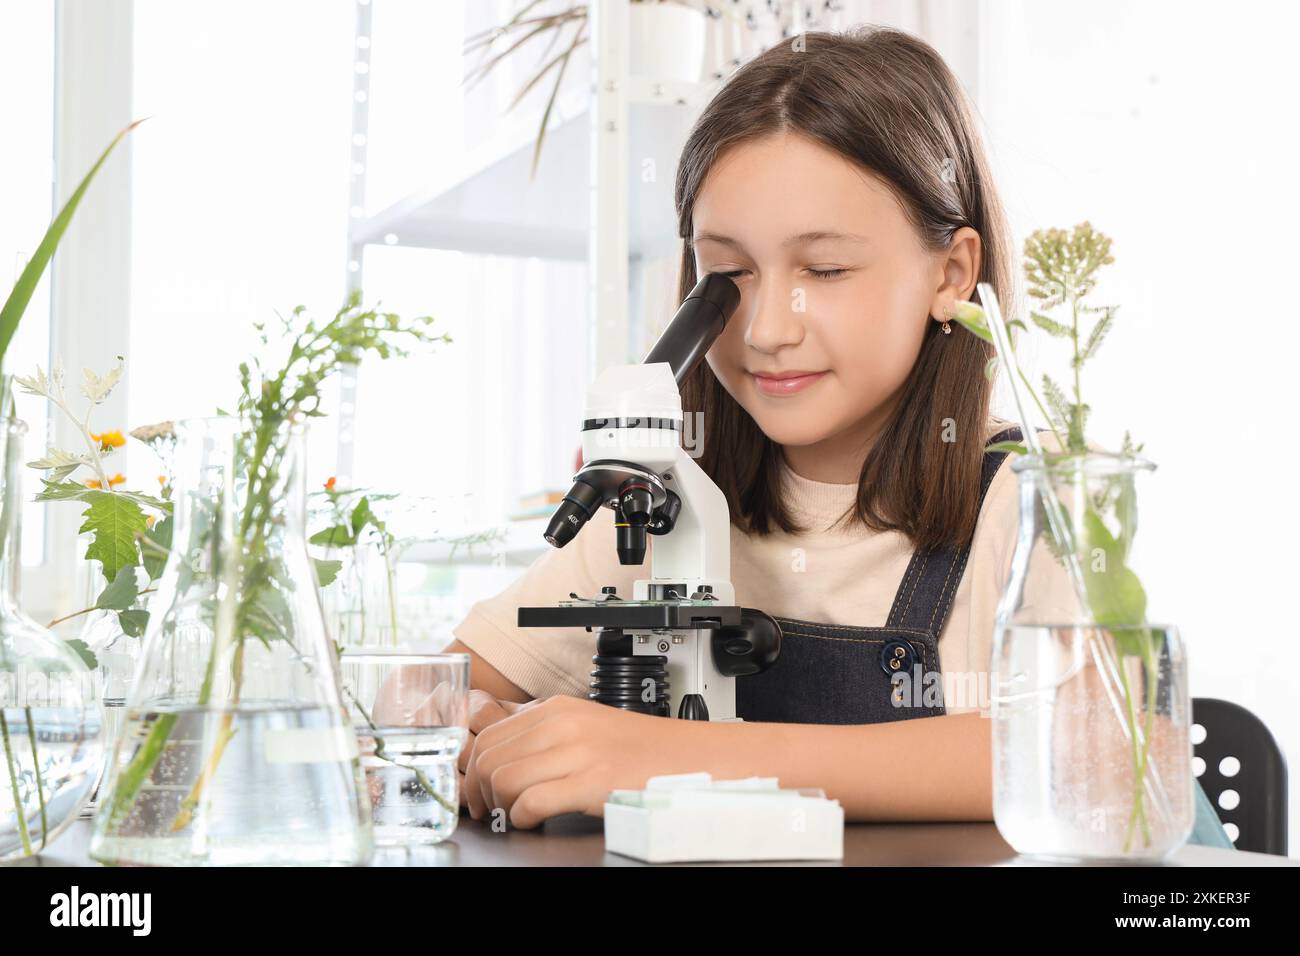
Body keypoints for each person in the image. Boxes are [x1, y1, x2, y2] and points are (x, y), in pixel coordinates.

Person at [448, 25, 1044, 830]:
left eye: (824, 270)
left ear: (951, 273)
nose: (766, 328)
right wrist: (474, 736)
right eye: (727, 274)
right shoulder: (669, 499)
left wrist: (681, 758)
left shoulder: (1024, 497)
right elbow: (442, 684)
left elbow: (1086, 749)